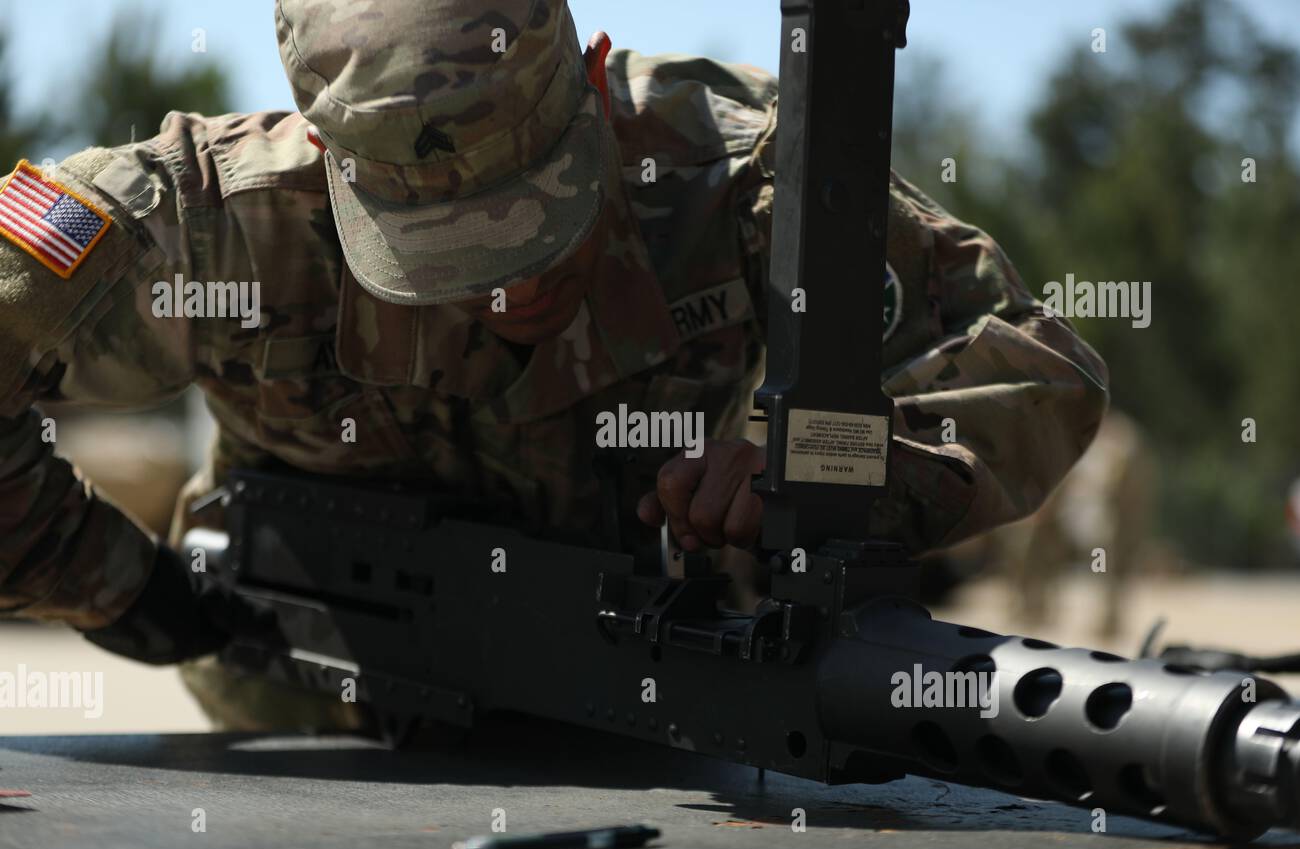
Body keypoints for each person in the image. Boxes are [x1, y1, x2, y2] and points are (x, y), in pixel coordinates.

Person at [0, 0, 1107, 730]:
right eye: (440, 250)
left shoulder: (736, 168)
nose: (505, 287)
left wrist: (824, 460)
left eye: (540, 216)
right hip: (303, 734)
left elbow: (1036, 365)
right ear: (328, 152)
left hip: (648, 721)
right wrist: (113, 580)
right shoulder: (209, 223)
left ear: (591, 73)